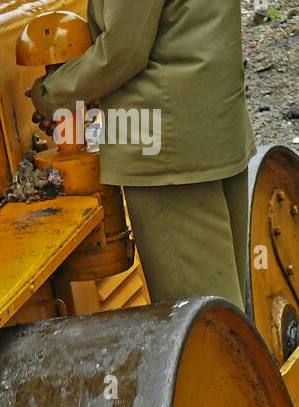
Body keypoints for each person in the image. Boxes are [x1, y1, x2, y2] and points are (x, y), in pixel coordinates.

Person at [28, 0, 255, 311]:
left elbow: (122, 53)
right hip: (213, 130)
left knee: (200, 324)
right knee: (225, 310)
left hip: (165, 151)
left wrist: (50, 94)